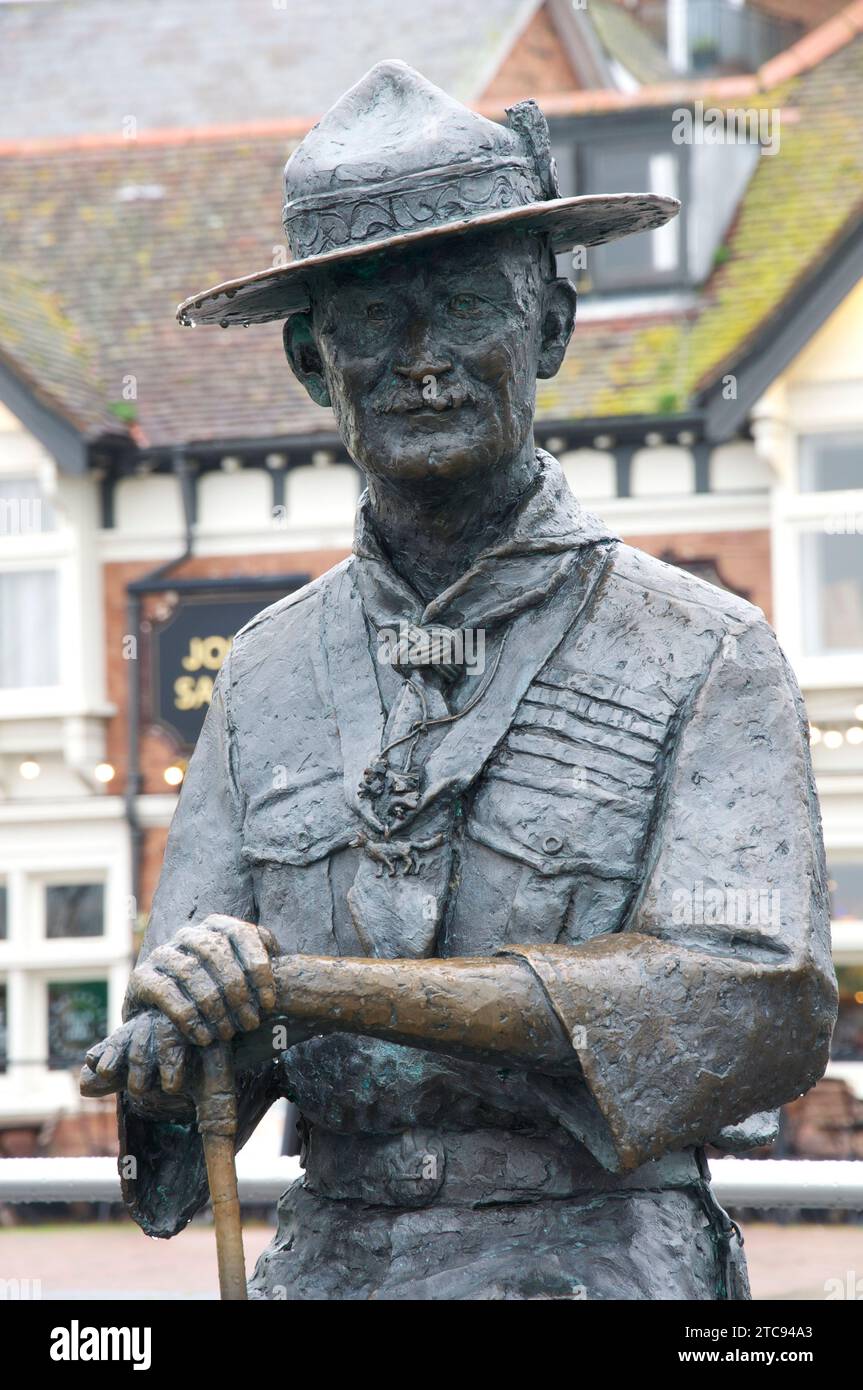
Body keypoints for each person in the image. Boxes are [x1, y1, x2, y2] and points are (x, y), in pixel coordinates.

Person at [82, 61, 836, 1300]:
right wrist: (174, 1034)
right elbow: (188, 1035)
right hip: (329, 1268)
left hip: (603, 1270)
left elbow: (752, 1001)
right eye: (375, 317)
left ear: (547, 325)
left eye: (466, 305)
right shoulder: (265, 670)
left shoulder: (702, 650)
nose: (422, 358)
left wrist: (313, 985)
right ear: (312, 361)